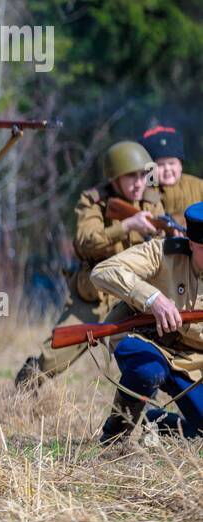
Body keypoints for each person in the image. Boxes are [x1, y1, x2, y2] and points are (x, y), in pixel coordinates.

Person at [14, 141, 163, 389]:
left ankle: (144, 413)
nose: (139, 183)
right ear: (114, 179)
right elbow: (85, 242)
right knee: (53, 358)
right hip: (94, 298)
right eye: (130, 177)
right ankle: (24, 386)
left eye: (142, 176)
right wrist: (126, 226)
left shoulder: (152, 202)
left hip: (134, 297)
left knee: (146, 360)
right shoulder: (94, 202)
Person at [89, 202, 203, 443]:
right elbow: (104, 271)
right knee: (148, 370)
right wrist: (153, 298)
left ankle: (163, 424)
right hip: (147, 340)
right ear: (192, 243)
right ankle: (115, 437)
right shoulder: (162, 253)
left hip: (194, 362)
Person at [141, 125, 203, 220]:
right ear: (150, 168)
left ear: (180, 165)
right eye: (160, 165)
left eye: (171, 163)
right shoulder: (143, 189)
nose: (167, 169)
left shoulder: (198, 186)